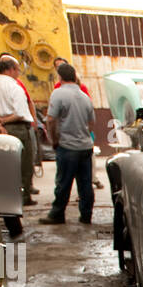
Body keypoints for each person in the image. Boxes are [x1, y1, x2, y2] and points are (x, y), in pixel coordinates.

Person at [40, 62, 96, 225]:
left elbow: (51, 120)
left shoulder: (58, 94)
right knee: (85, 184)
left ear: (60, 77)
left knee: (63, 183)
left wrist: (54, 140)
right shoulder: (85, 97)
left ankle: (57, 214)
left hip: (67, 146)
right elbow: (91, 123)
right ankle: (86, 215)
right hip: (85, 146)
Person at [0, 55, 38, 205]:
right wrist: (6, 120)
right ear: (11, 70)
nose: (18, 73)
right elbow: (20, 113)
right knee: (25, 164)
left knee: (8, 164)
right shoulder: (15, 86)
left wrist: (0, 125)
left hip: (3, 130)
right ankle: (25, 197)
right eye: (18, 70)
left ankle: (8, 195)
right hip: (19, 128)